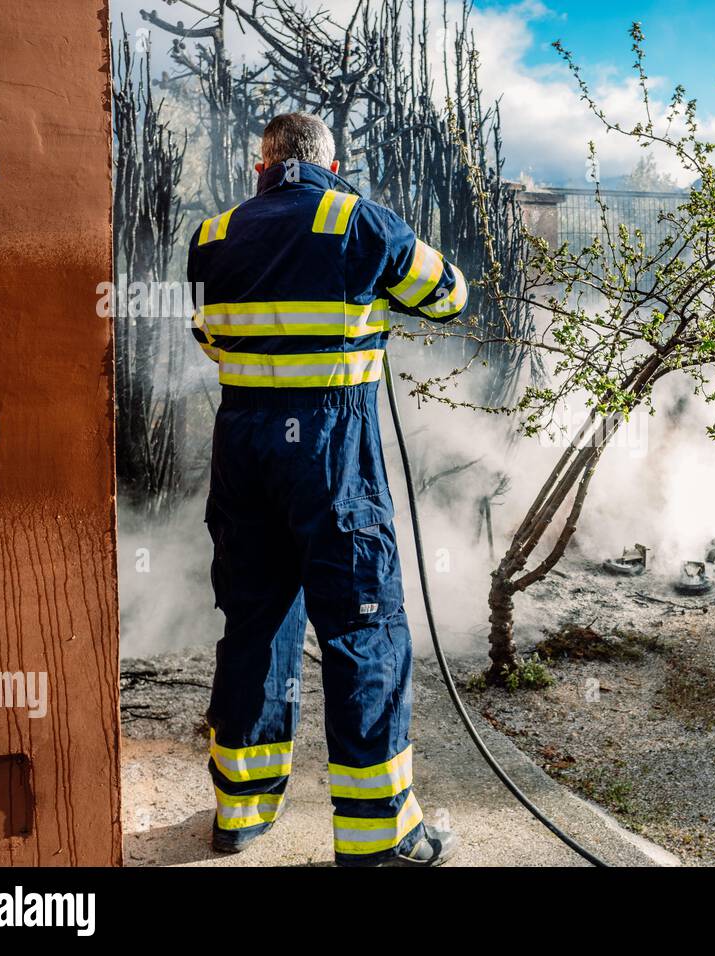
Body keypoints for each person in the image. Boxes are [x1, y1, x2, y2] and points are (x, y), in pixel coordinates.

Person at [187, 112, 466, 866]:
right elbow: (450, 295)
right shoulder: (358, 220)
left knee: (254, 620)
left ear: (261, 167)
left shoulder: (213, 236)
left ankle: (239, 811)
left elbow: (210, 336)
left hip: (244, 448)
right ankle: (379, 835)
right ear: (331, 163)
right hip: (334, 449)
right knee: (363, 624)